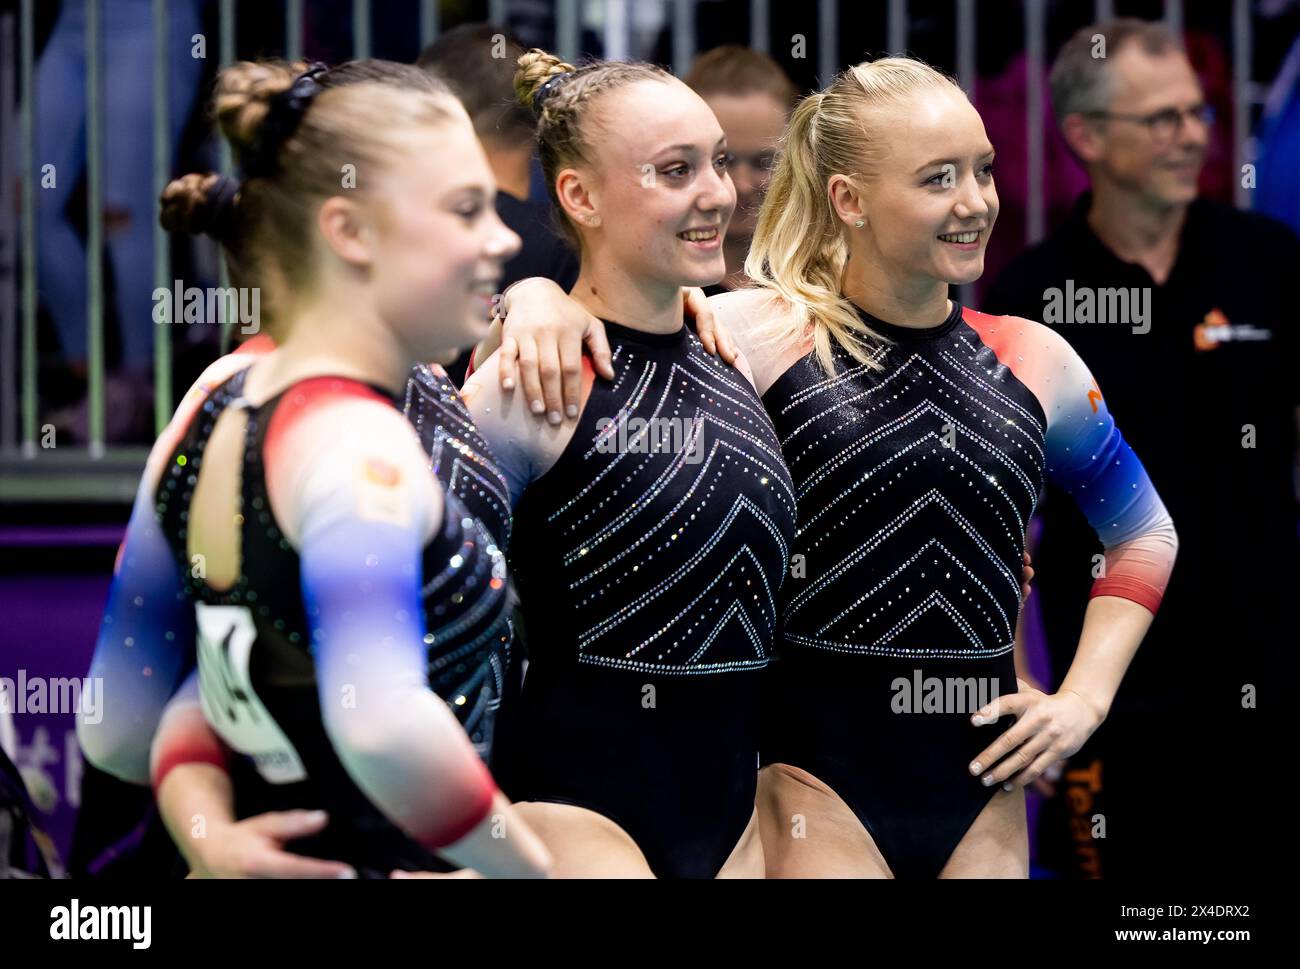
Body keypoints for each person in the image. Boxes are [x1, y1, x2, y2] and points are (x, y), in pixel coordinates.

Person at [491, 54, 1177, 877]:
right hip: (814, 780)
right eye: (938, 179)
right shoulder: (753, 336)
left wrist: (1082, 700)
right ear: (848, 200)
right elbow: (625, 322)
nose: (975, 202)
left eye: (985, 171)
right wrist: (532, 299)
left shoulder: (1035, 358)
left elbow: (1141, 529)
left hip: (982, 782)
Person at [75, 58, 550, 878]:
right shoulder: (357, 443)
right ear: (349, 230)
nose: (505, 236)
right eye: (466, 209)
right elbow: (381, 723)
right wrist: (525, 868)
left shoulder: (219, 412)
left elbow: (124, 719)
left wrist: (212, 836)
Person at [456, 48, 797, 877]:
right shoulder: (530, 378)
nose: (719, 192)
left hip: (735, 820)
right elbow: (441, 617)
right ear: (579, 195)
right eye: (675, 171)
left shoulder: (738, 345)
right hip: (575, 810)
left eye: (718, 161)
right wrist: (525, 299)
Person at [983, 19, 1299, 876]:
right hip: (1108, 688)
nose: (1192, 135)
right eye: (1160, 118)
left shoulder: (1267, 262)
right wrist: (1024, 689)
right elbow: (1000, 520)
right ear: (1085, 137)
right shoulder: (1030, 295)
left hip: (1266, 671)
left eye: (1196, 113)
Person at [683, 45, 797, 293]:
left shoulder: (827, 280)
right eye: (722, 161)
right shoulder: (647, 284)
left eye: (764, 162)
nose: (742, 185)